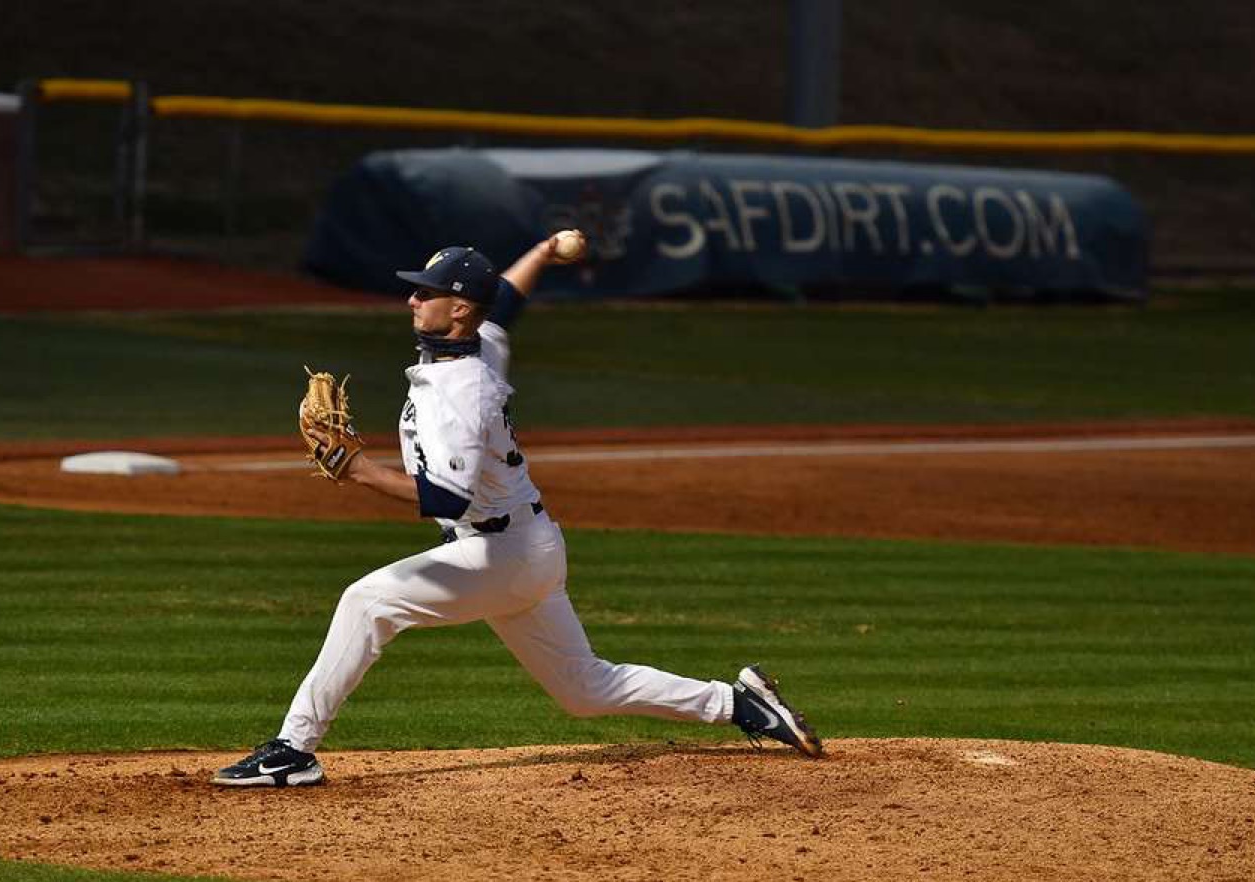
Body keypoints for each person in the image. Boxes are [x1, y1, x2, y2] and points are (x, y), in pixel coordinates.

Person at [213, 233, 820, 787]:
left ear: (456, 310)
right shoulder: (477, 344)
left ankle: (294, 750)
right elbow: (505, 298)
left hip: (499, 552)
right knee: (584, 688)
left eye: (426, 293)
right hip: (527, 546)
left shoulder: (460, 394)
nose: (411, 301)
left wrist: (359, 472)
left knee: (365, 602)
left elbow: (446, 499)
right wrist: (546, 250)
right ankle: (740, 703)